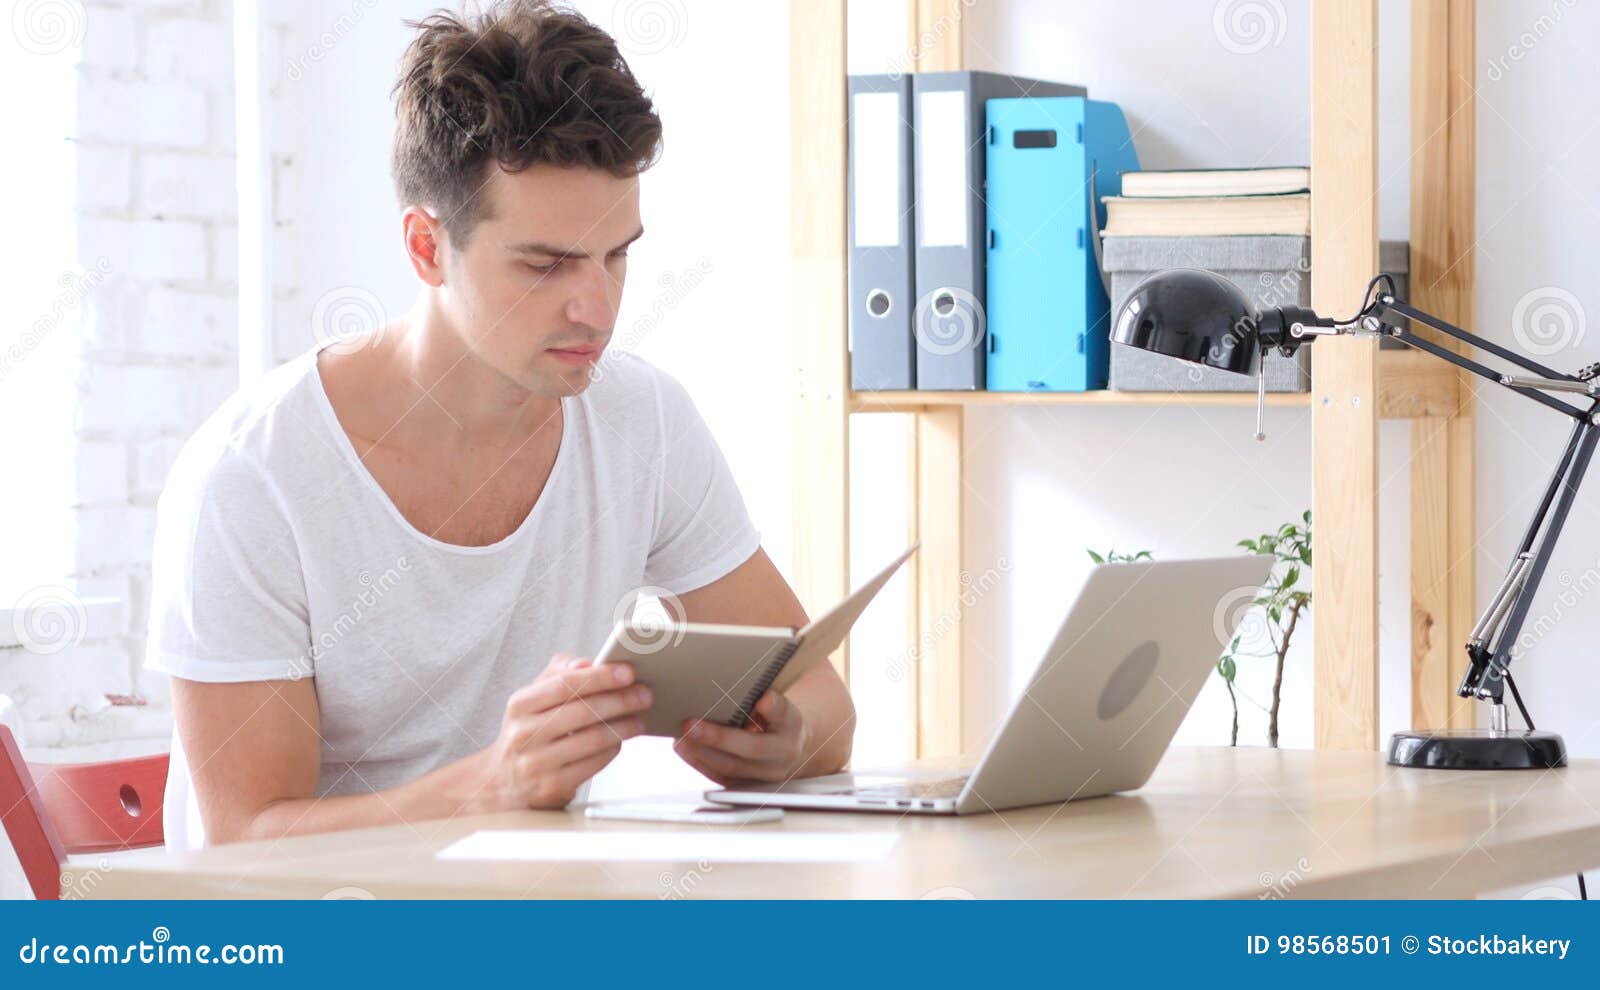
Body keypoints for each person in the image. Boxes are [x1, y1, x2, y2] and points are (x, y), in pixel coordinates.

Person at [145, 0, 854, 849]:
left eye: (616, 255)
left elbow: (827, 705)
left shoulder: (642, 421)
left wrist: (787, 742)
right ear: (425, 248)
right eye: (545, 264)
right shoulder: (251, 477)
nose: (596, 307)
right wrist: (493, 784)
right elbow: (241, 837)